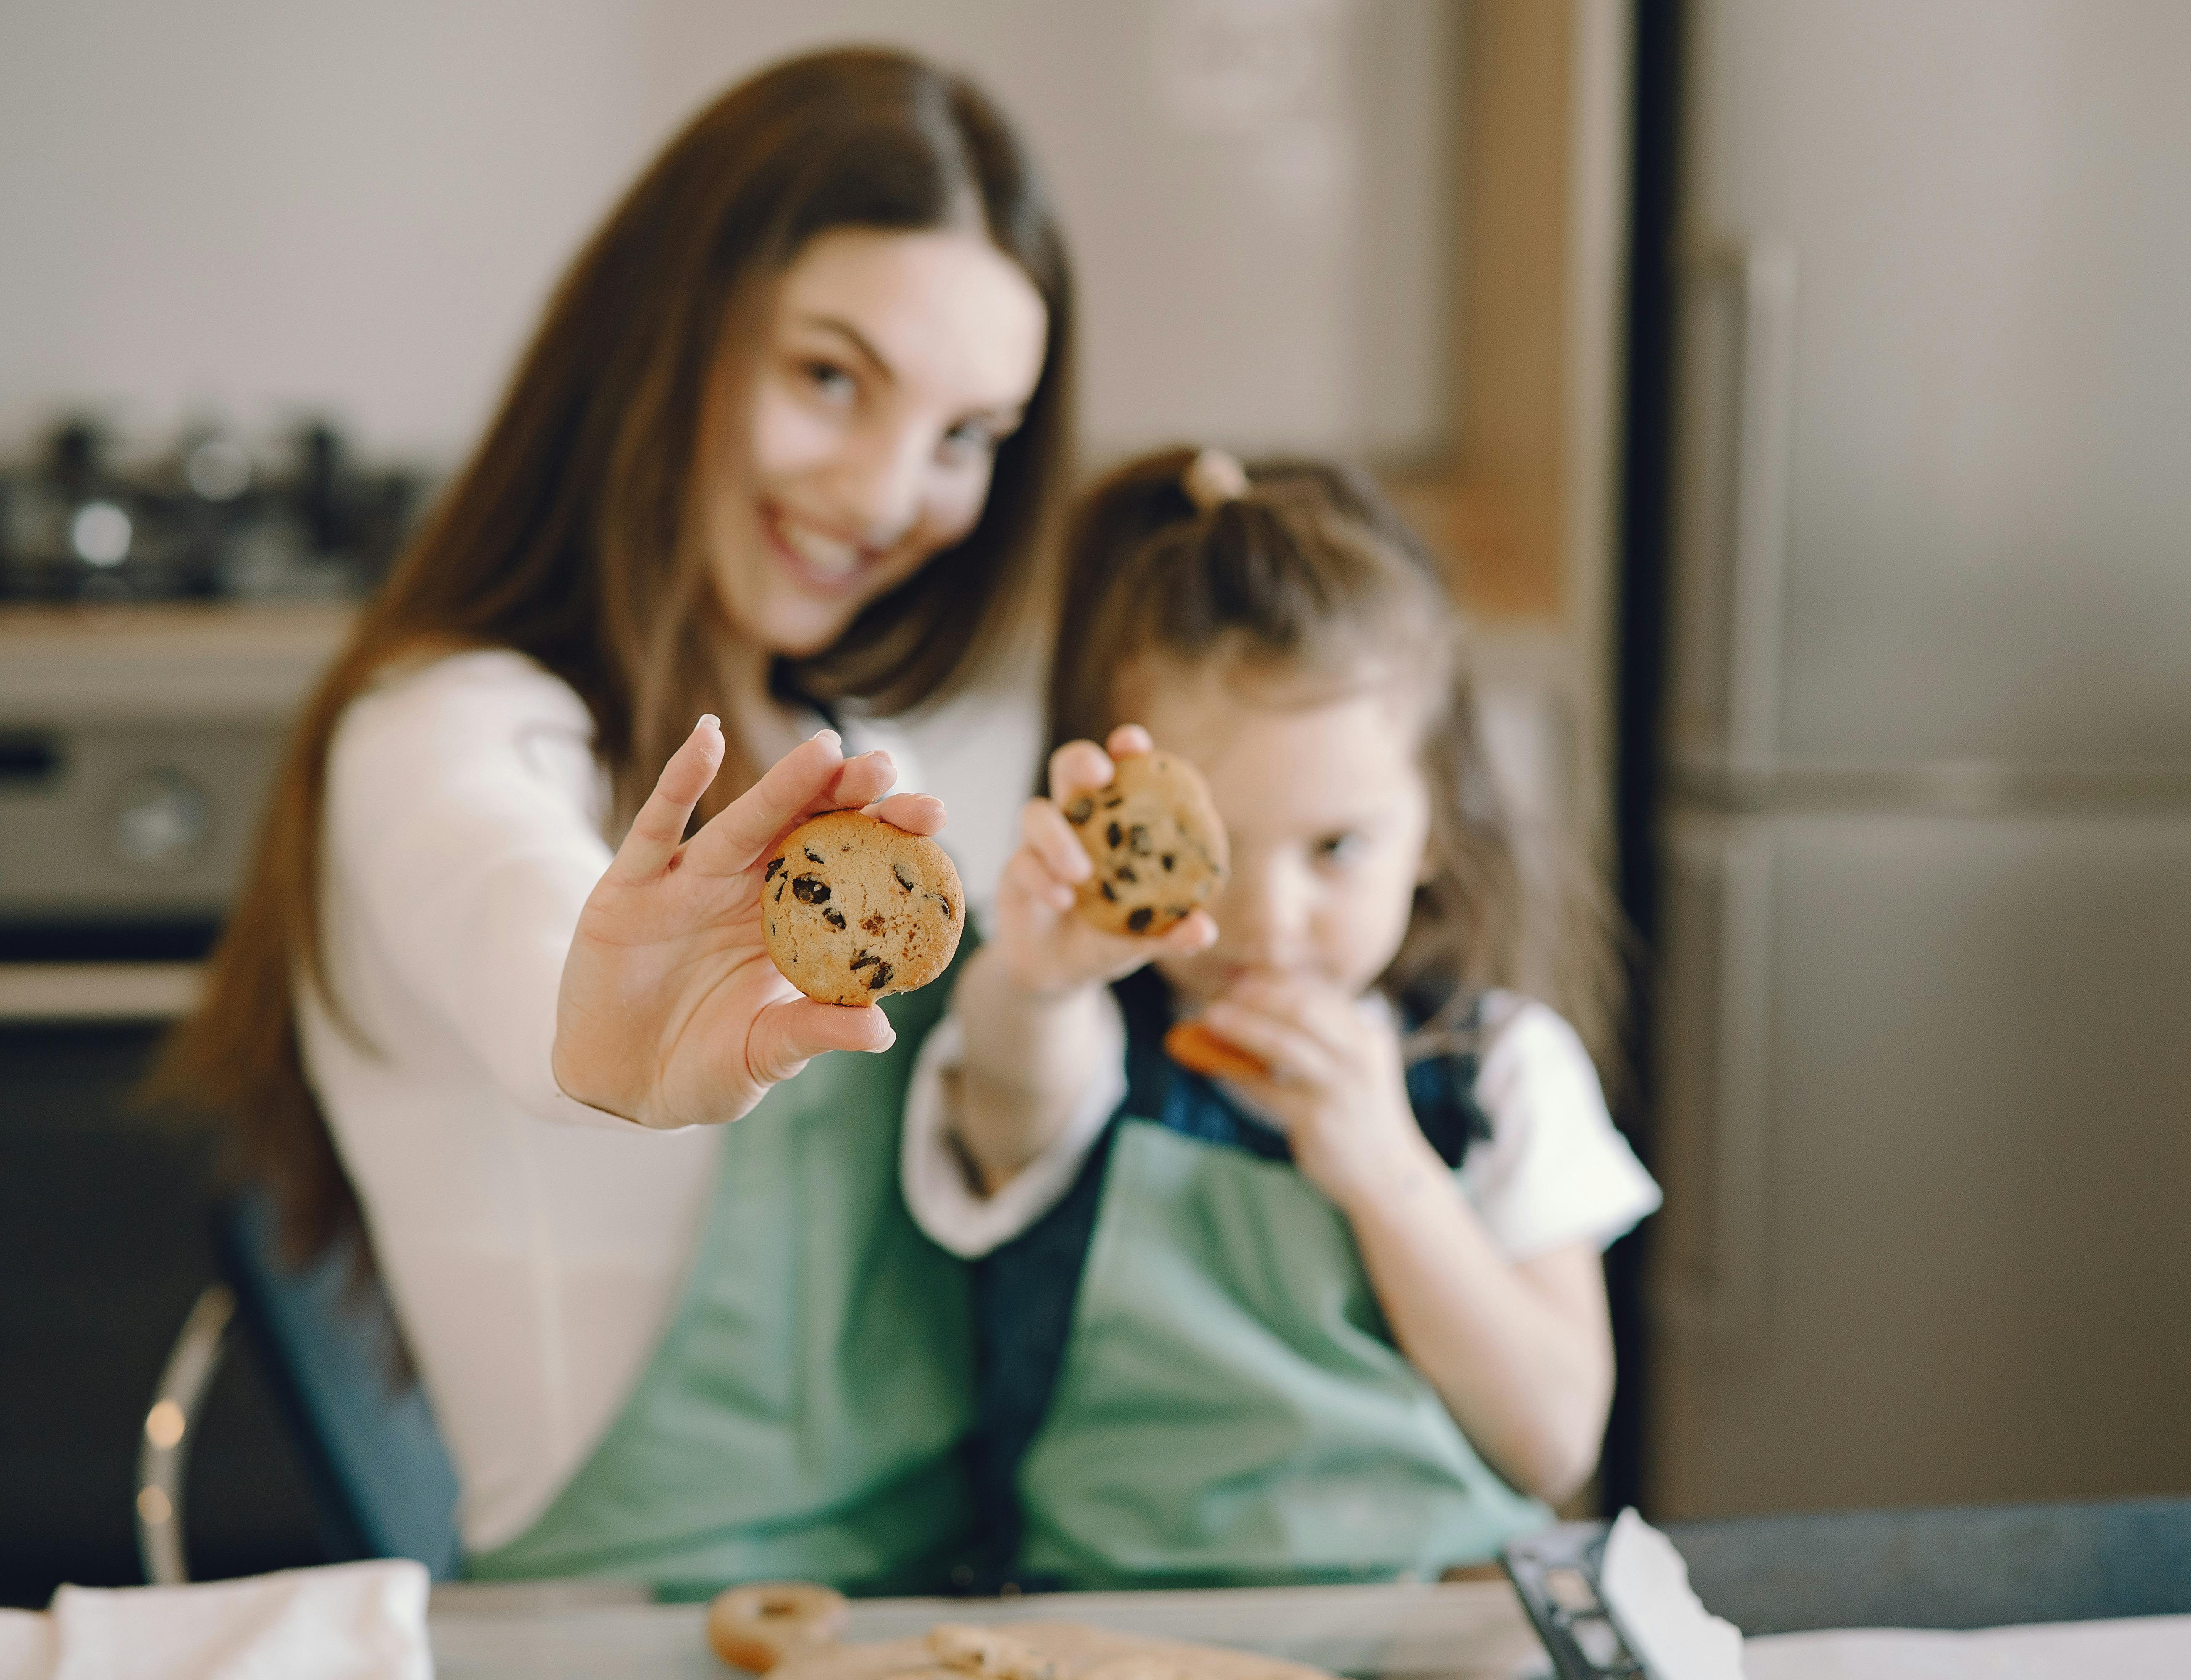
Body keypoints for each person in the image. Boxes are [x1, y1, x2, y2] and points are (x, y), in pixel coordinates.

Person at [152, 48, 1072, 1593]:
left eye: (968, 434)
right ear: (667, 339)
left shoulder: (849, 754)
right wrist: (600, 1023)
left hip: (939, 1603)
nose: (888, 490)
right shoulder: (442, 734)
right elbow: (514, 907)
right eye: (829, 377)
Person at [901, 448, 1661, 1588]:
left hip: (1431, 1644)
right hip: (1116, 1639)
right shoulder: (1090, 1040)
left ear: (1437, 829)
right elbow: (1011, 1104)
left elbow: (1554, 1438)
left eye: (1336, 849)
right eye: (1207, 849)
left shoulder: (1501, 1069)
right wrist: (1044, 977)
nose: (1267, 916)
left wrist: (1384, 1169)